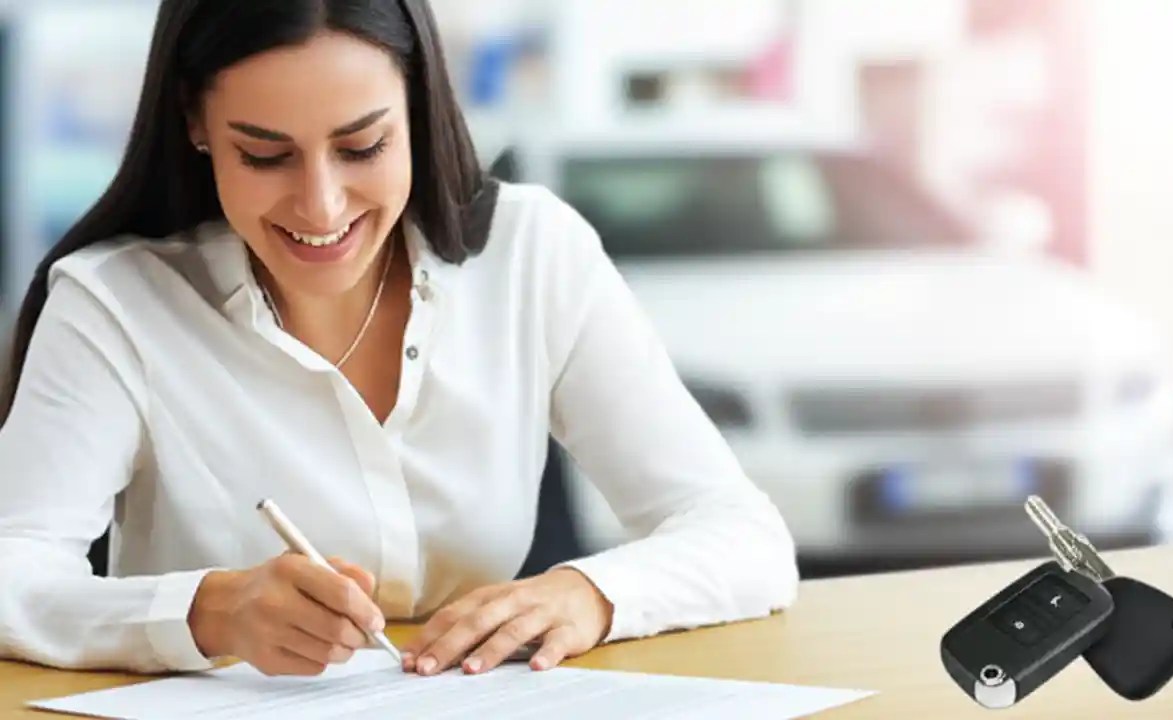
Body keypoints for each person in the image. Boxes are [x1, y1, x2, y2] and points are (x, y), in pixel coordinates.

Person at [0, 0, 798, 678]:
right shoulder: (115, 304)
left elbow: (741, 535)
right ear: (195, 123)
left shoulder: (532, 254)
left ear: (417, 107)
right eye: (265, 154)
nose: (320, 206)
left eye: (362, 147)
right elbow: (12, 575)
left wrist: (587, 595)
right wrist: (212, 610)